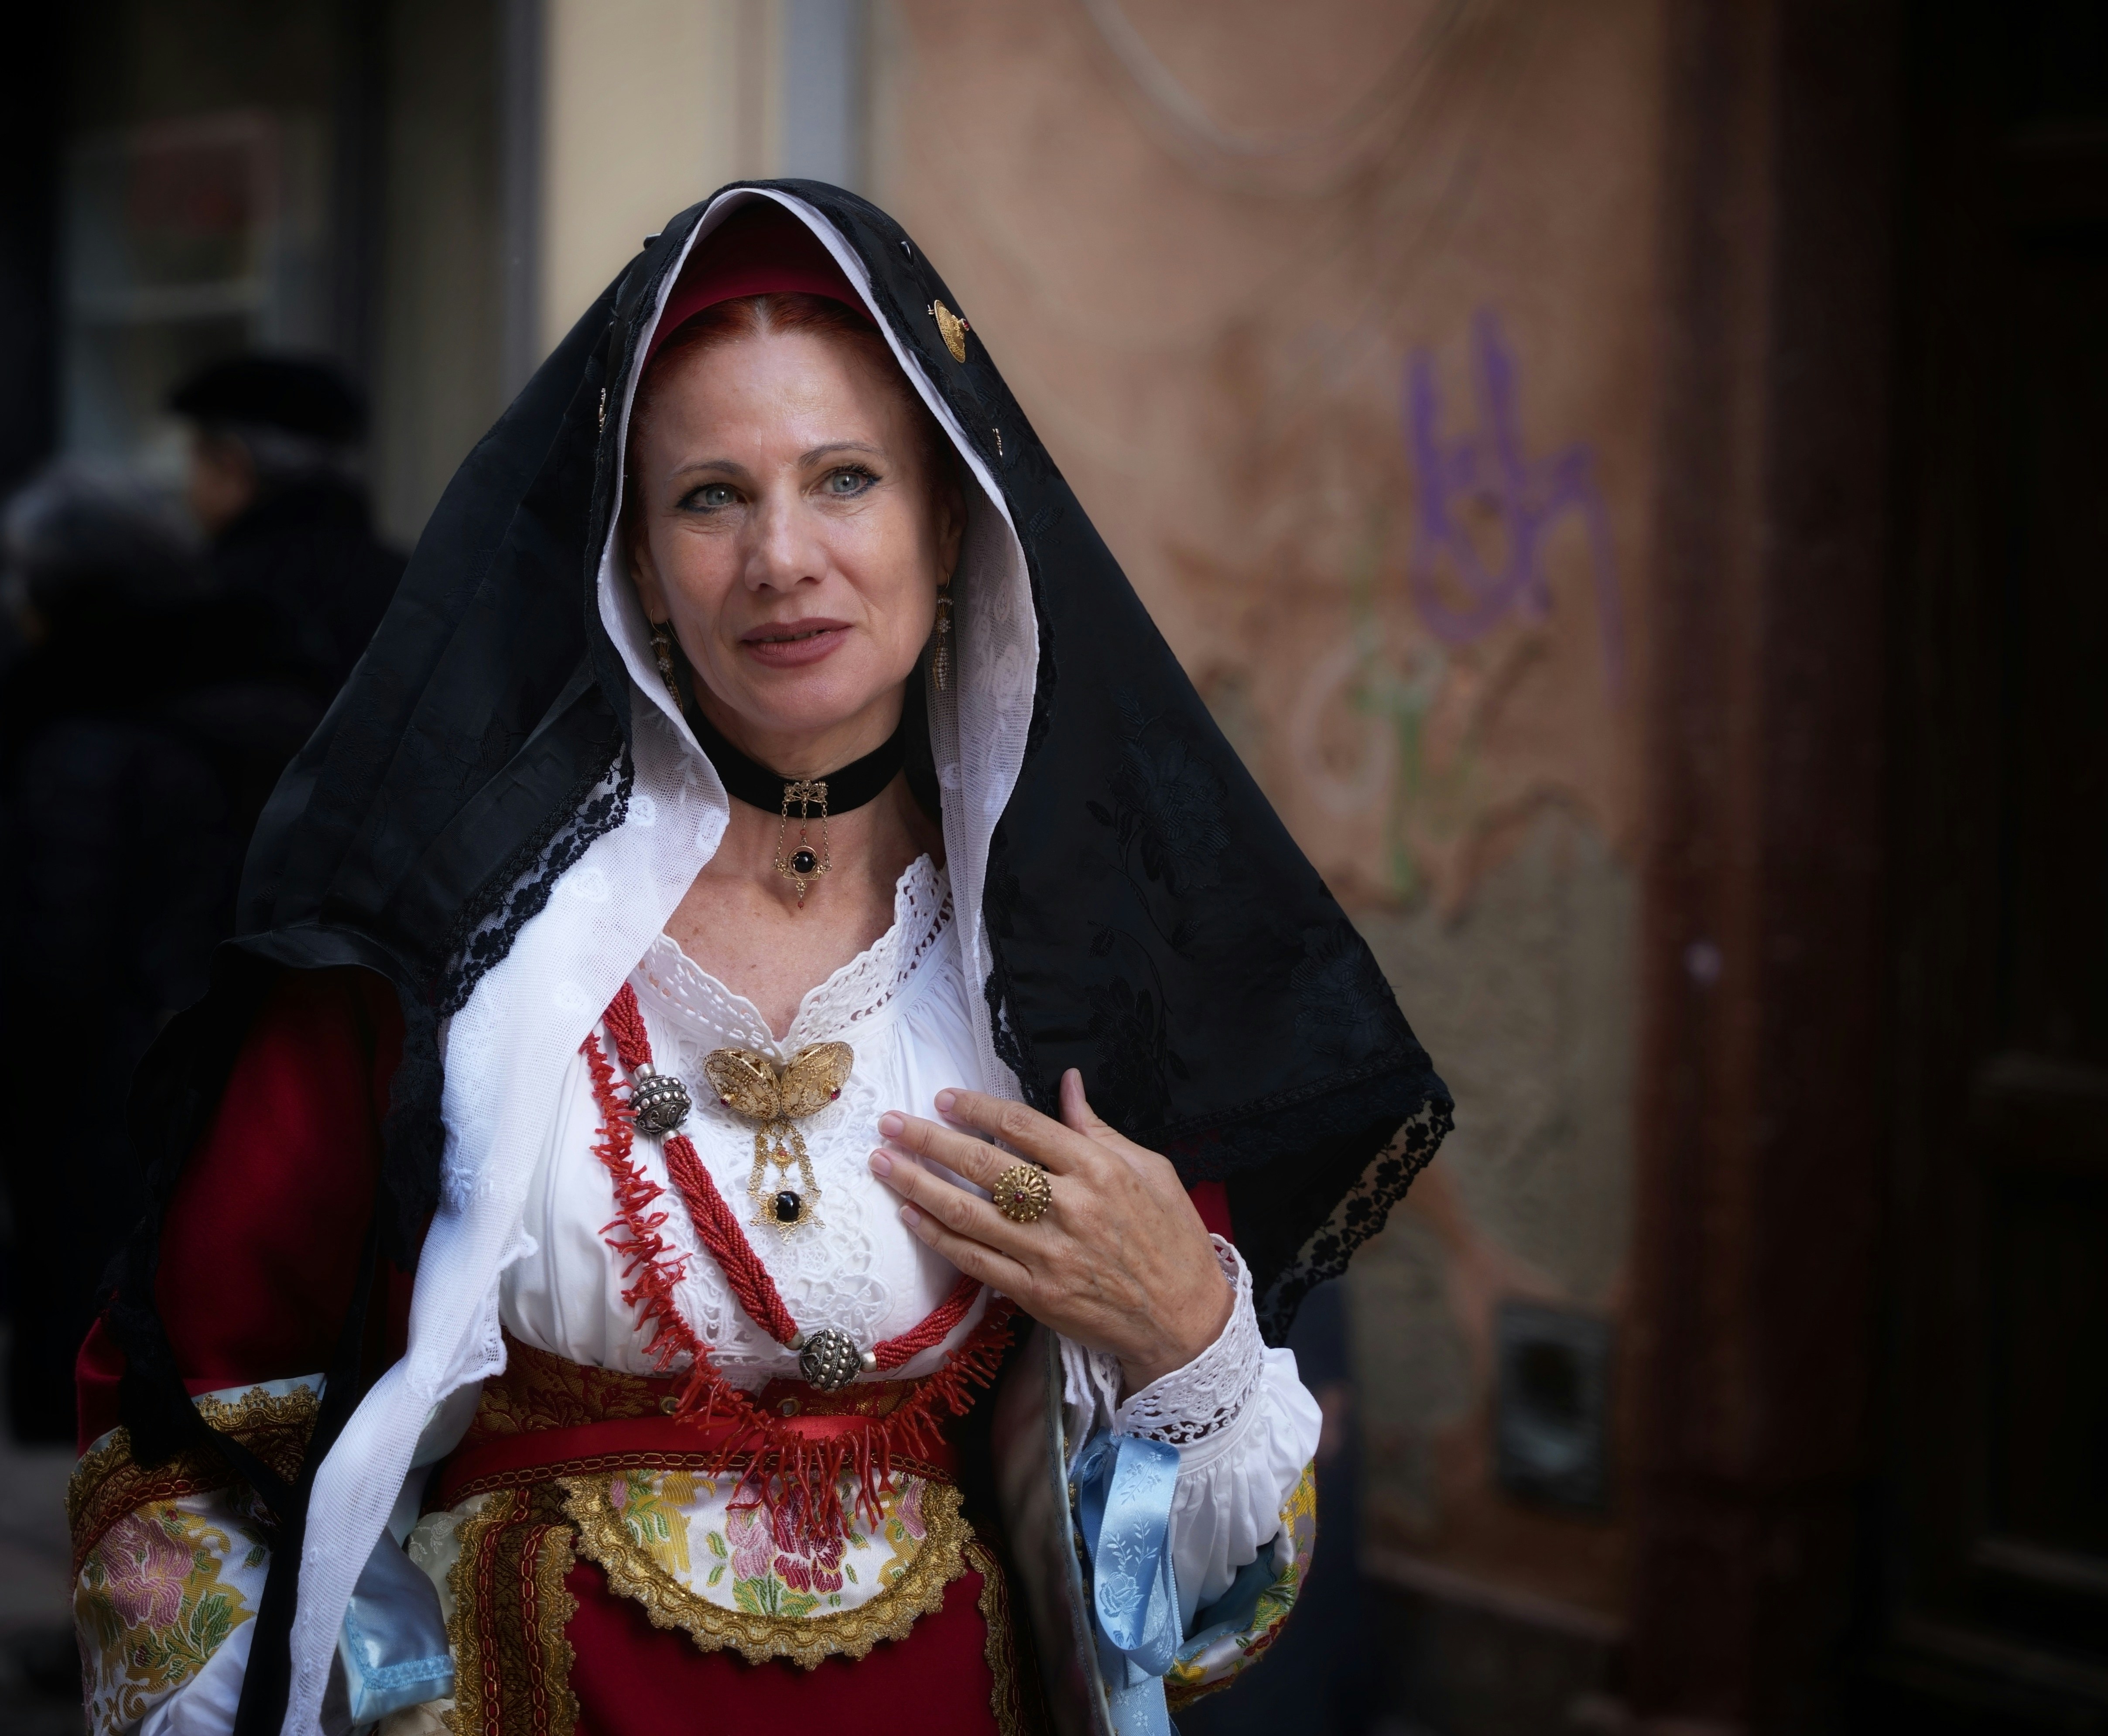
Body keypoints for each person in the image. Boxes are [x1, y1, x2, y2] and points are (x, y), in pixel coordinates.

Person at [71, 190, 1451, 1736]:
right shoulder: (445, 948)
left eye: (845, 479)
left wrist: (1181, 1326)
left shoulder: (1064, 966)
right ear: (641, 565)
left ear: (949, 522)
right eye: (711, 497)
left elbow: (1205, 1609)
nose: (782, 556)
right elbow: (190, 1431)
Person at [0, 466, 321, 1443]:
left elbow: (53, 961)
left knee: (109, 1387)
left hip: (114, 1102)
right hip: (278, 1085)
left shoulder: (80, 740)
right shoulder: (290, 698)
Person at [170, 353, 404, 694]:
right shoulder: (411, 585)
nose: (188, 484)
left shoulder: (209, 597)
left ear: (231, 466)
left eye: (196, 459)